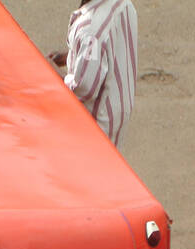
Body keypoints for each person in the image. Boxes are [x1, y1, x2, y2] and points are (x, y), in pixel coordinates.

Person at [49, 0, 138, 146]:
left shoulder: (90, 29)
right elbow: (105, 47)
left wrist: (51, 70)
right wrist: (73, 55)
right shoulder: (122, 4)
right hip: (115, 118)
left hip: (95, 130)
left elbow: (83, 89)